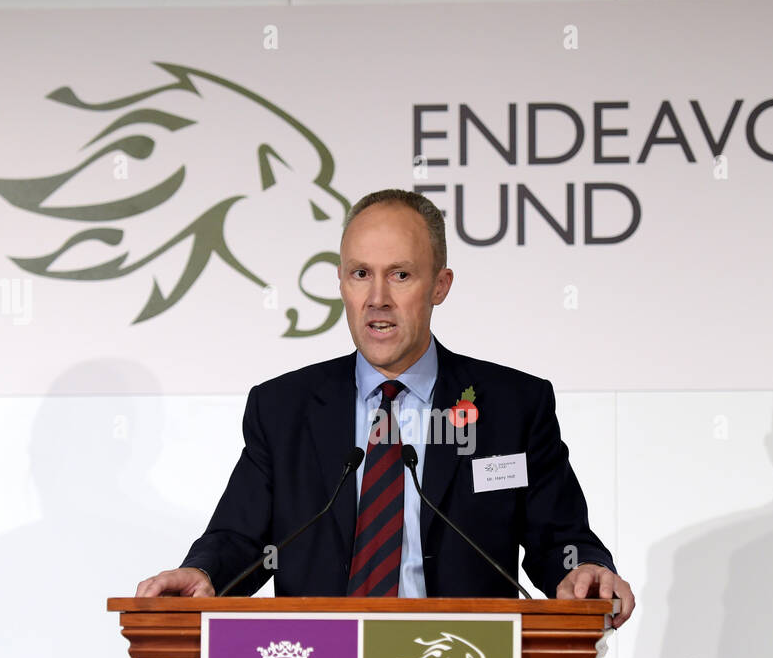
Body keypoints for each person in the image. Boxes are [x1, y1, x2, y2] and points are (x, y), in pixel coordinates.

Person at [136, 189, 634, 625]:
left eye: (400, 274)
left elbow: (558, 537)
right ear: (341, 284)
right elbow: (241, 539)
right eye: (360, 274)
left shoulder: (513, 406)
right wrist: (202, 573)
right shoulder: (284, 409)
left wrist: (581, 569)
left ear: (440, 285)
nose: (377, 298)